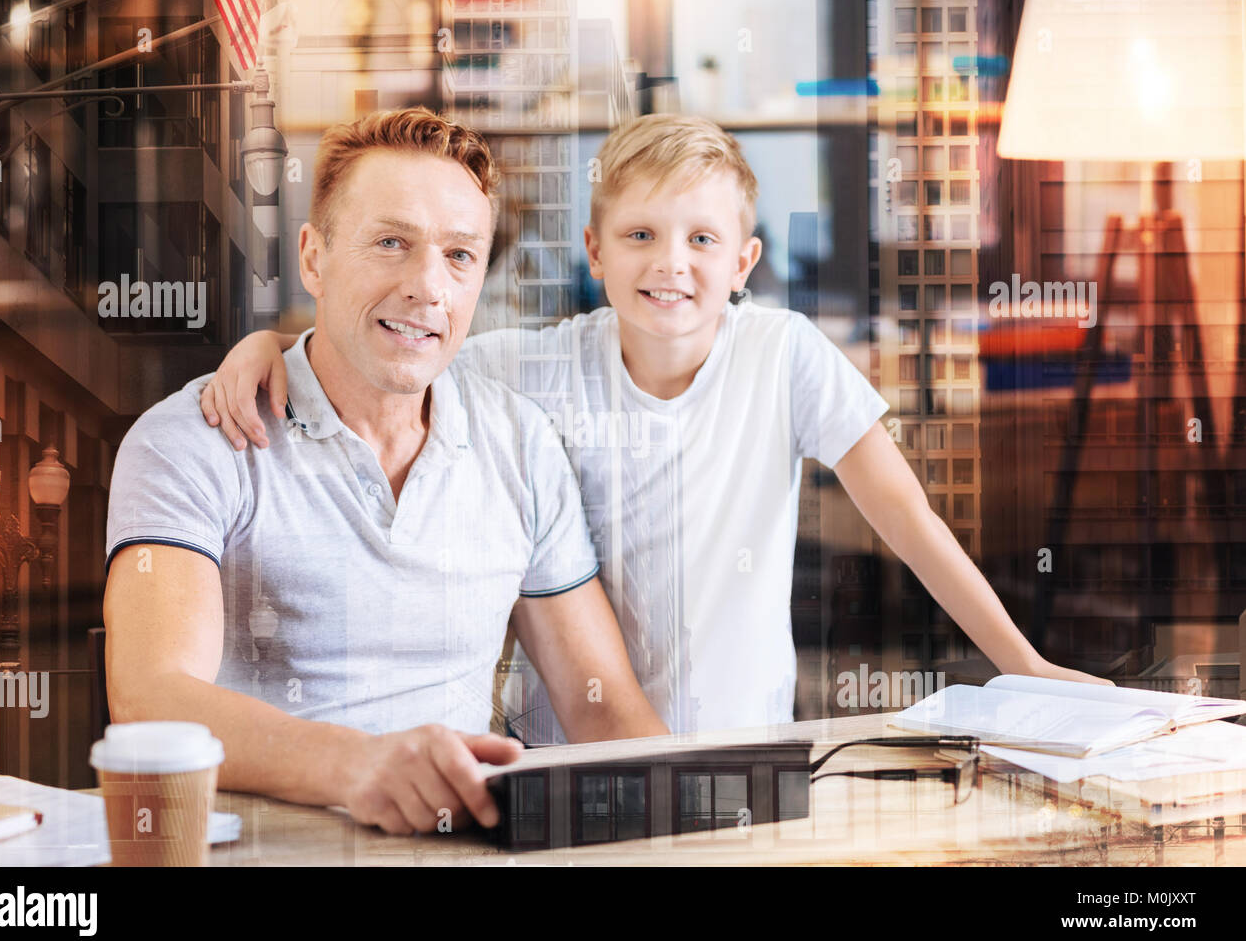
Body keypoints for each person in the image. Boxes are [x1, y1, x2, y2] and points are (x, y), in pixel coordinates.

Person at [199, 113, 1109, 741]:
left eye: (702, 240)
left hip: (740, 753)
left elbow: (912, 525)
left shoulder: (784, 356)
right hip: (569, 759)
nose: (670, 264)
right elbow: (389, 345)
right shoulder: (534, 364)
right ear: (595, 251)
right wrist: (272, 345)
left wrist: (1023, 665)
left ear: (744, 260)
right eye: (639, 236)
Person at [103, 107, 669, 835]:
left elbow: (602, 707)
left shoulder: (521, 444)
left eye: (460, 255)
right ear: (313, 258)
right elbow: (152, 697)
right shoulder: (195, 439)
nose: (428, 287)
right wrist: (358, 765)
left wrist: (704, 824)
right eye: (391, 242)